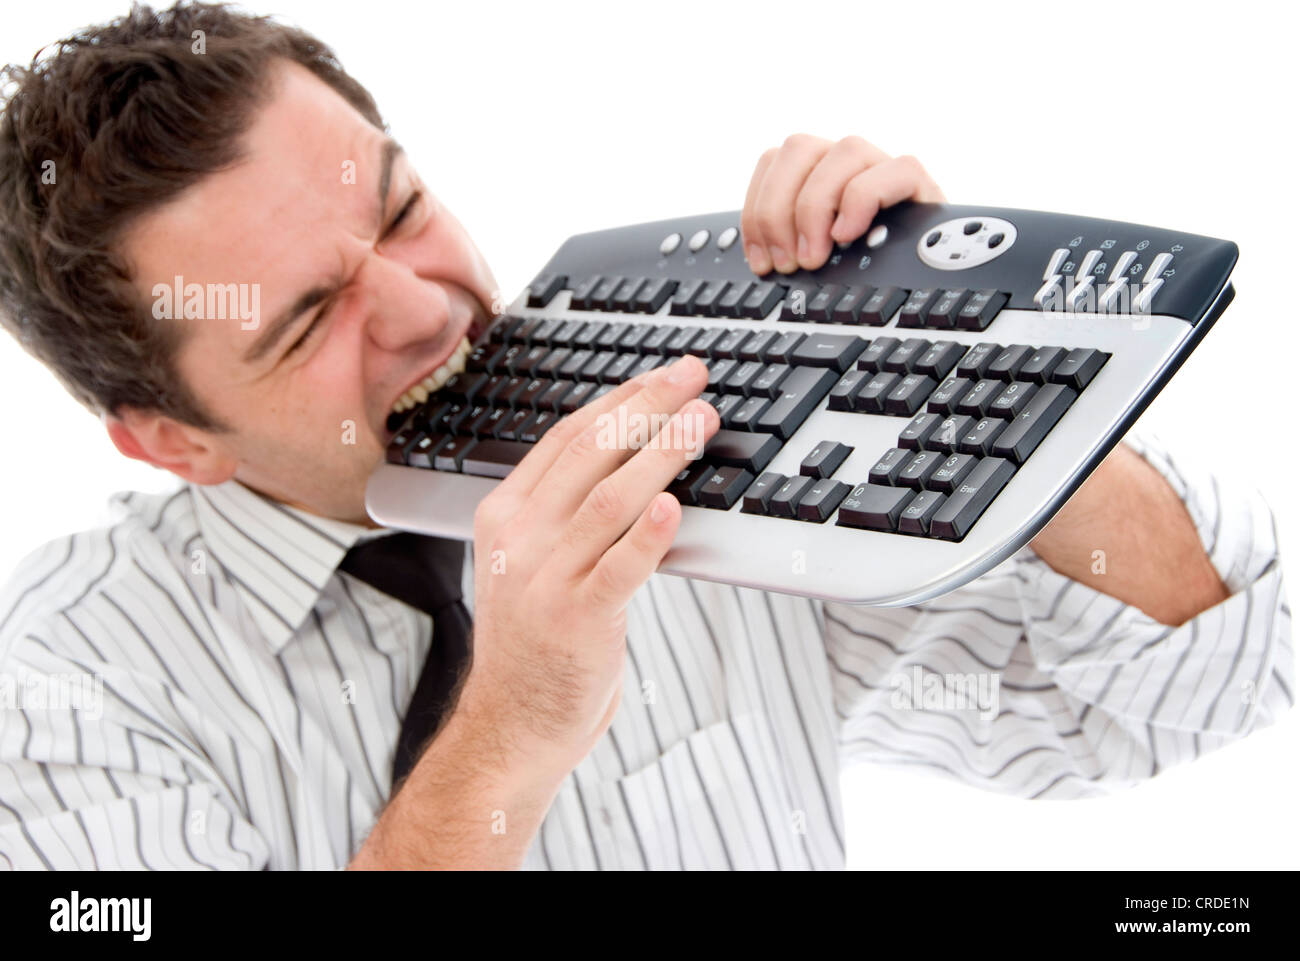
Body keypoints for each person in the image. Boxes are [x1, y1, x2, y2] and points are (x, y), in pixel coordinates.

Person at [0, 2, 1290, 870]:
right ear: (172, 441)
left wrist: (963, 372)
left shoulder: (687, 434)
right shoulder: (66, 684)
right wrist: (513, 723)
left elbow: (1195, 691)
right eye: (304, 323)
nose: (425, 309)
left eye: (395, 212)